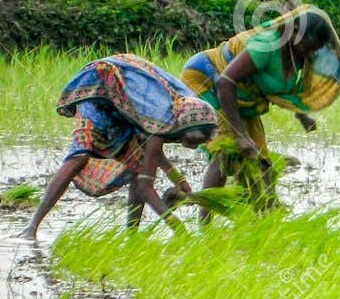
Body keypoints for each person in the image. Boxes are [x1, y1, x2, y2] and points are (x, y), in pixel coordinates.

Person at [21, 54, 216, 239]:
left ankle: (131, 235)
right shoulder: (162, 119)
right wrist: (177, 226)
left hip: (124, 100)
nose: (192, 148)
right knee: (79, 156)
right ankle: (32, 227)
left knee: (138, 168)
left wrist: (178, 180)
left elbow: (152, 153)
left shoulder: (190, 110)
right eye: (192, 141)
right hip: (100, 87)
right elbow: (147, 185)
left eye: (198, 144)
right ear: (185, 127)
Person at [182, 3, 340, 199]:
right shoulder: (266, 46)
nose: (311, 53)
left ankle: (266, 214)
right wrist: (240, 135)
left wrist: (302, 115)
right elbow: (226, 82)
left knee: (261, 160)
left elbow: (283, 90)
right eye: (308, 46)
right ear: (293, 33)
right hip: (207, 79)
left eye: (315, 50)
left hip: (241, 96)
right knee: (227, 152)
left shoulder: (299, 55)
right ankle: (205, 221)